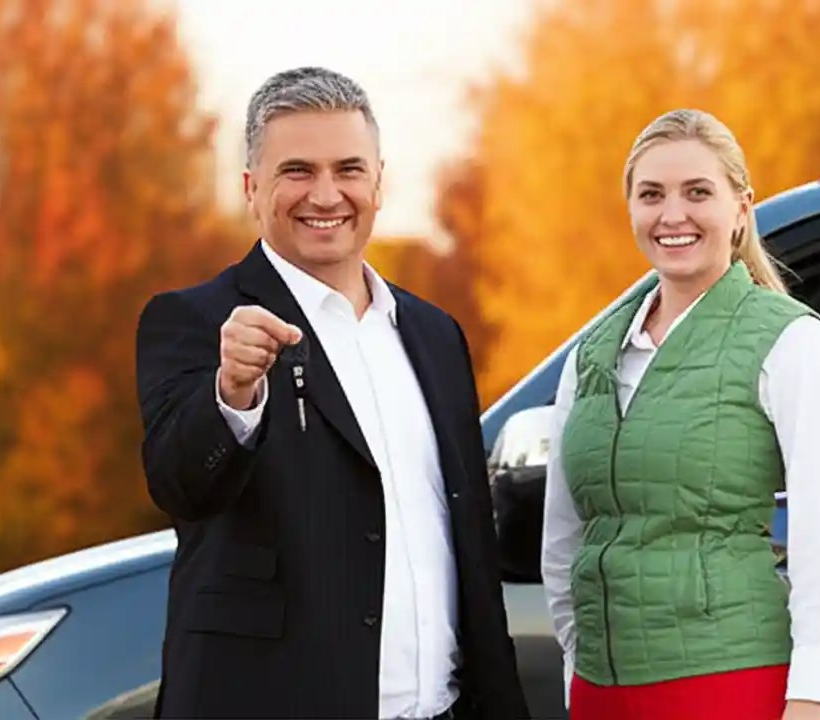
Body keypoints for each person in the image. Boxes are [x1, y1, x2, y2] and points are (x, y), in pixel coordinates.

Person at [135, 66, 530, 720]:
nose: (326, 194)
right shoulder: (196, 322)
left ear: (379, 182)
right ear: (251, 188)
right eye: (297, 171)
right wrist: (230, 394)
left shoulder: (435, 334)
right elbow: (179, 485)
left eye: (348, 169)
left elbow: (468, 549)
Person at [540, 108, 820, 720]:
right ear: (631, 209)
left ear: (741, 209)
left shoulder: (792, 343)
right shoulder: (591, 353)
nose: (672, 215)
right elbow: (565, 531)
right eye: (652, 195)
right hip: (601, 691)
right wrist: (578, 661)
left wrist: (811, 696)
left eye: (697, 192)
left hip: (726, 684)